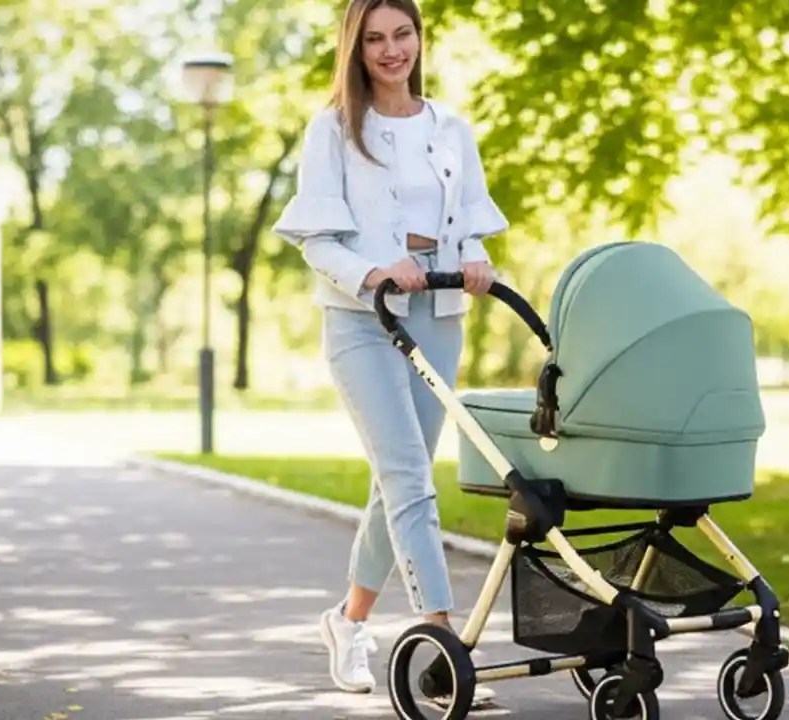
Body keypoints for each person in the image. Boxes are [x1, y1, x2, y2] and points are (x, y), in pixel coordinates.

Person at [270, 0, 507, 698]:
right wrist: (376, 269)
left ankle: (348, 622)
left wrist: (477, 260)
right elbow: (318, 240)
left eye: (401, 33)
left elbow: (466, 222)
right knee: (409, 478)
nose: (390, 49)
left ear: (419, 38)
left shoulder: (451, 128)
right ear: (355, 47)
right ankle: (445, 649)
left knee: (395, 483)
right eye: (374, 38)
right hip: (361, 321)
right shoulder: (333, 130)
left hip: (438, 315)